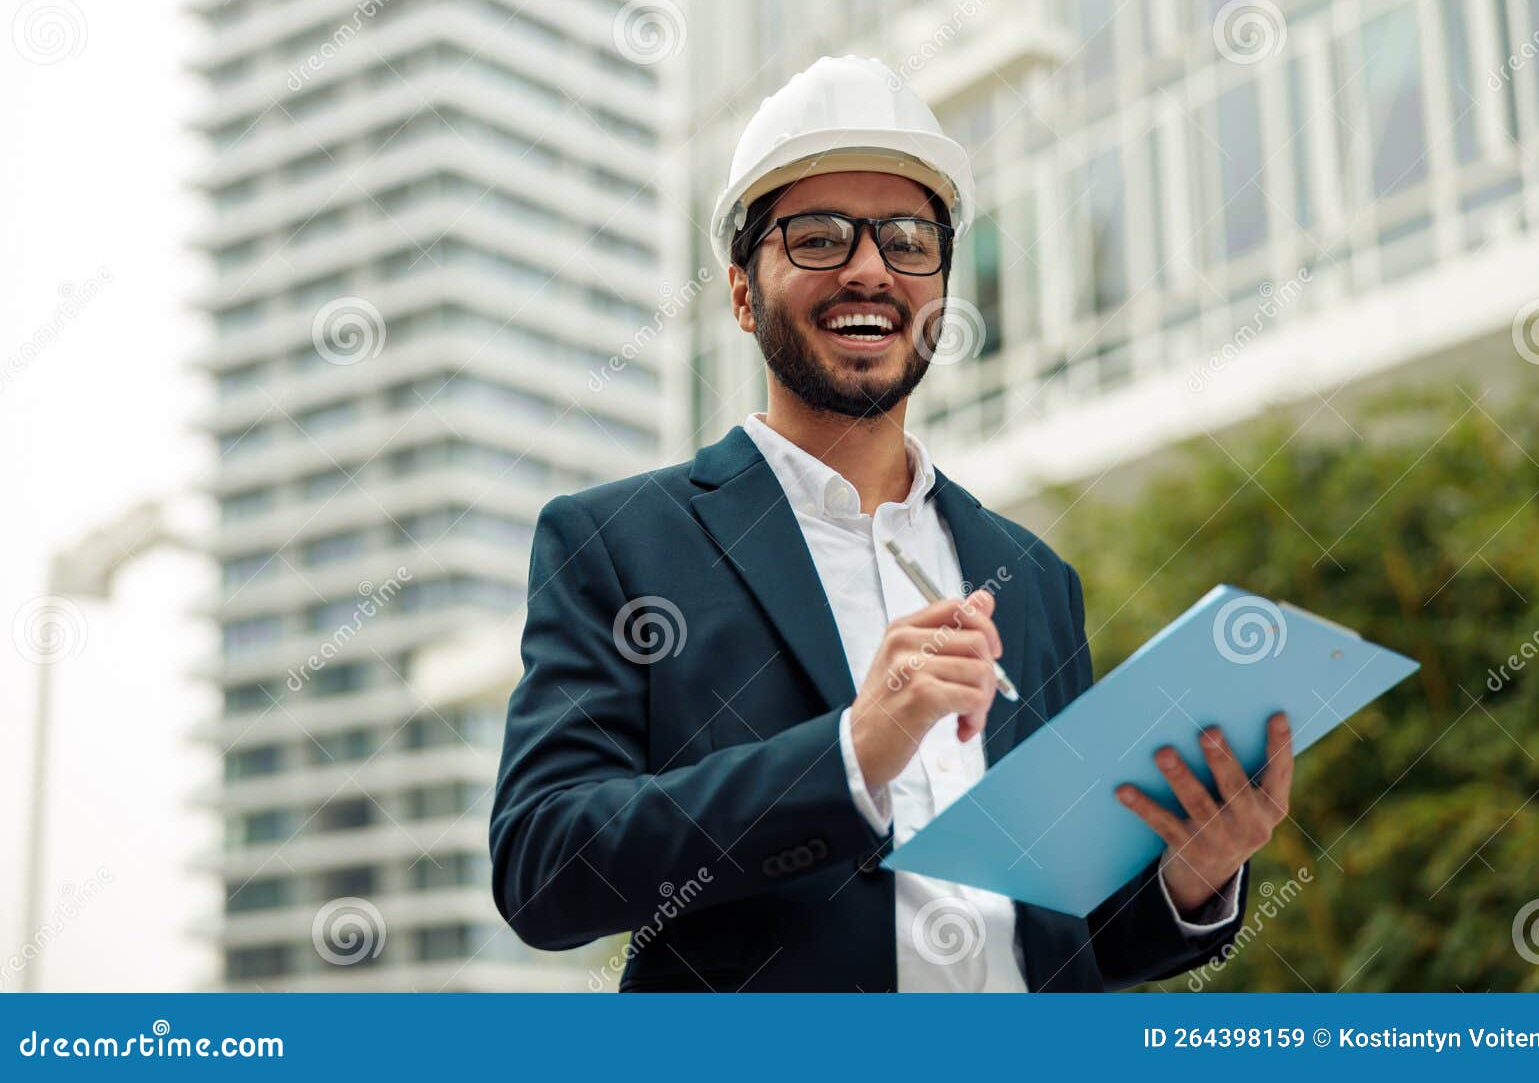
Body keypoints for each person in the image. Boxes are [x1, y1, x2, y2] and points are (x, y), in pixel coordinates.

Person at [489, 55, 1293, 991]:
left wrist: (1192, 875)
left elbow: (1069, 933)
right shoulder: (621, 543)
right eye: (818, 237)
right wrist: (851, 754)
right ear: (744, 293)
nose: (871, 269)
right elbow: (545, 866)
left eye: (909, 241)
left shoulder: (1033, 578)